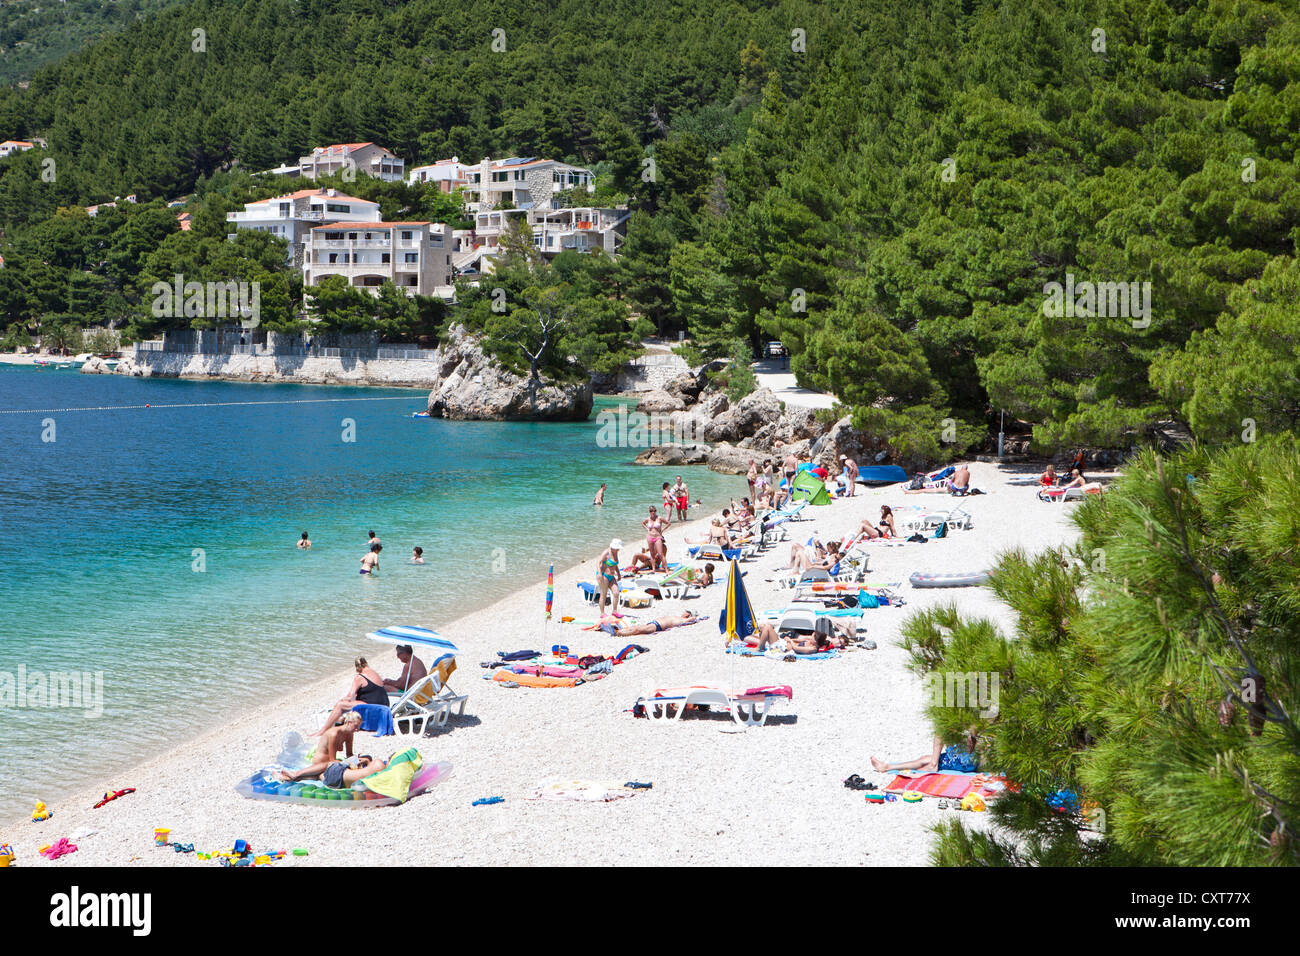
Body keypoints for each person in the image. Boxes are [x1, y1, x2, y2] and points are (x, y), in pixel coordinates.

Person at [311, 657, 389, 736]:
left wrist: (341, 701)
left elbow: (350, 696)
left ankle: (323, 731)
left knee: (340, 705)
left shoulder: (359, 677)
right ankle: (339, 719)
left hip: (371, 705)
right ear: (366, 663)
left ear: (357, 668)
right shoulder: (374, 673)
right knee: (346, 704)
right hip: (383, 704)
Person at [283, 712, 366, 782]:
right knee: (331, 767)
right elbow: (333, 759)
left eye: (359, 727)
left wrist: (356, 760)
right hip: (321, 762)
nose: (357, 729)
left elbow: (349, 754)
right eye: (356, 726)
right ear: (348, 723)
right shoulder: (334, 734)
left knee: (320, 777)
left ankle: (292, 777)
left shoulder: (349, 734)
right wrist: (348, 762)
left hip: (329, 762)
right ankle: (297, 773)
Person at [870, 732, 980, 775]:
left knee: (940, 733)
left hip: (965, 762)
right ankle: (887, 766)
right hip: (964, 757)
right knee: (924, 758)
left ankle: (932, 766)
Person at [282, 749, 387, 789]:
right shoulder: (380, 772)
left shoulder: (378, 763)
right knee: (319, 775)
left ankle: (296, 774)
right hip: (336, 783)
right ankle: (292, 777)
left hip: (338, 775)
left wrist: (366, 761)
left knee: (331, 763)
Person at [596, 609, 700, 636]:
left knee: (637, 630)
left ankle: (618, 633)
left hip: (657, 627)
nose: (684, 612)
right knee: (636, 628)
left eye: (686, 612)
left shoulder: (683, 619)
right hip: (654, 623)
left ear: (688, 614)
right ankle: (619, 631)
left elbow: (693, 619)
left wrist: (693, 617)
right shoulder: (678, 616)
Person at [597, 539, 623, 616]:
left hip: (612, 576)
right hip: (604, 575)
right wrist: (599, 573)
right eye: (617, 548)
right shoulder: (606, 553)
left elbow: (615, 564)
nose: (618, 549)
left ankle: (614, 611)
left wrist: (618, 573)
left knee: (616, 593)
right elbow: (598, 562)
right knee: (603, 594)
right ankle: (602, 613)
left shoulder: (616, 552)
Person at [643, 506, 670, 572]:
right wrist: (647, 529)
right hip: (650, 537)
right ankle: (653, 569)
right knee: (652, 554)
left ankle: (666, 569)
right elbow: (643, 523)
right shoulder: (648, 519)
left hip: (658, 537)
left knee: (660, 554)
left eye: (654, 511)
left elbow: (668, 523)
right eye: (651, 511)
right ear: (649, 512)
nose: (653, 512)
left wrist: (662, 530)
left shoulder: (659, 518)